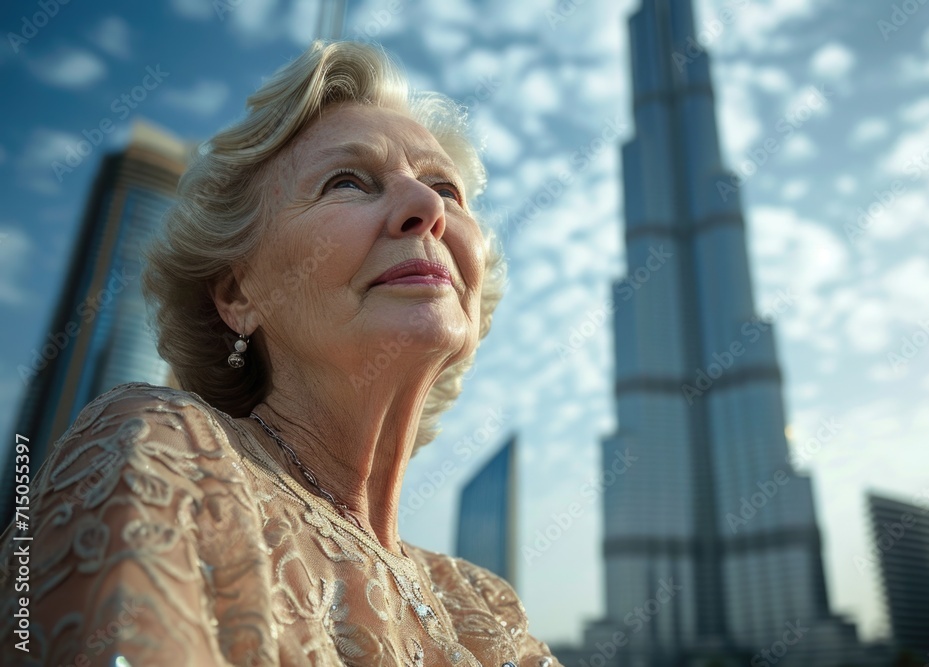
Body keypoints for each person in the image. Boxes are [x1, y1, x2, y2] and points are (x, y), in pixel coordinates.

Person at [0, 40, 562, 667]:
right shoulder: (171, 451)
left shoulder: (486, 601)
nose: (427, 209)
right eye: (347, 181)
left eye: (445, 189)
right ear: (238, 293)